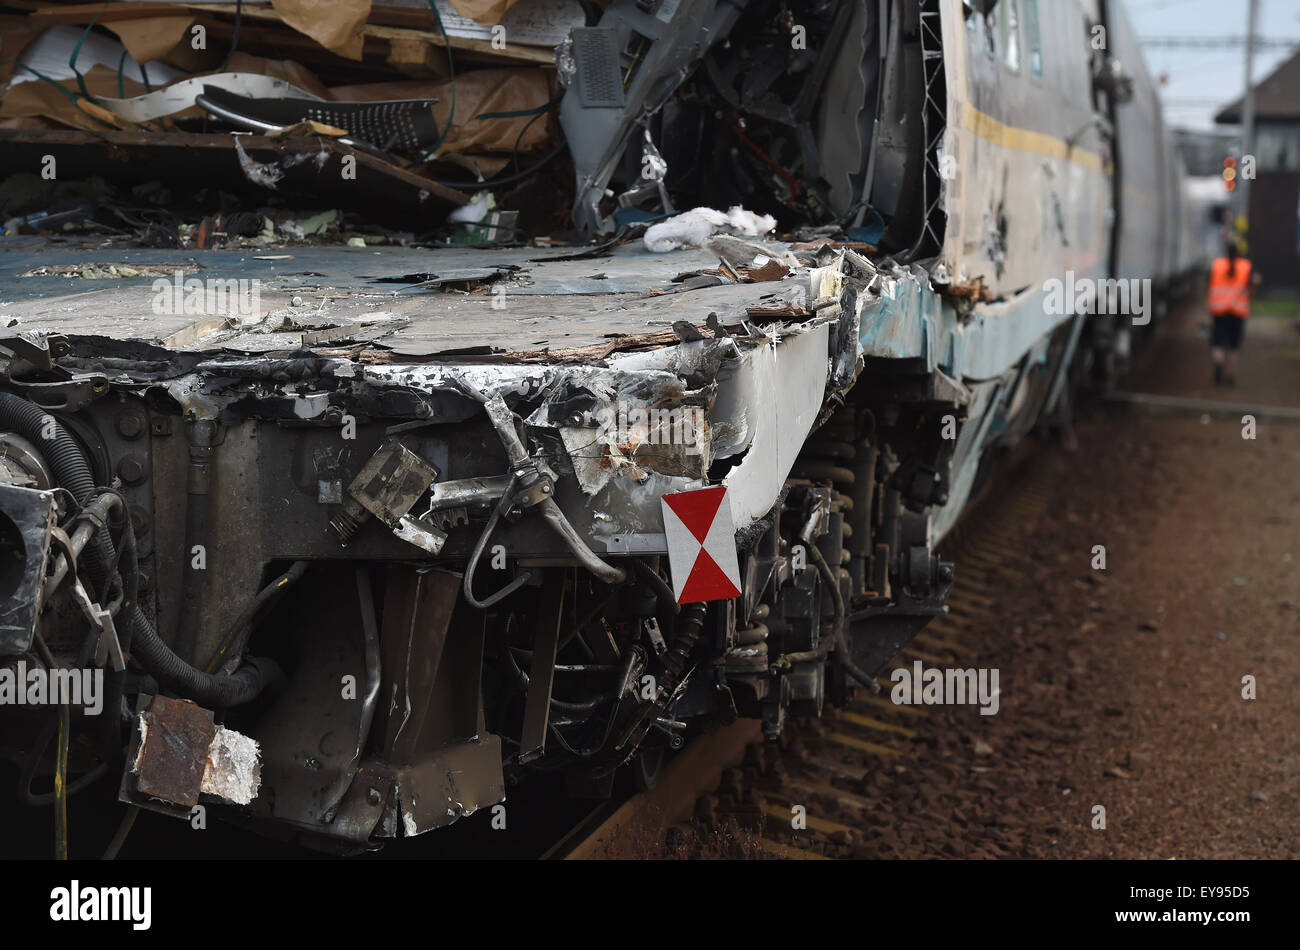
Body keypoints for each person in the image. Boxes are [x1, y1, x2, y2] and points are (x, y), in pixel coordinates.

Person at [1206, 240, 1261, 386]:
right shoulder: (1246, 266)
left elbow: (1209, 284)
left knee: (1217, 343)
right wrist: (1251, 293)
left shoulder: (1217, 265)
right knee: (1234, 346)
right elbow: (1255, 282)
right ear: (1239, 252)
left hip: (1219, 311)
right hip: (1238, 312)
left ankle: (1218, 366)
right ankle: (1230, 377)